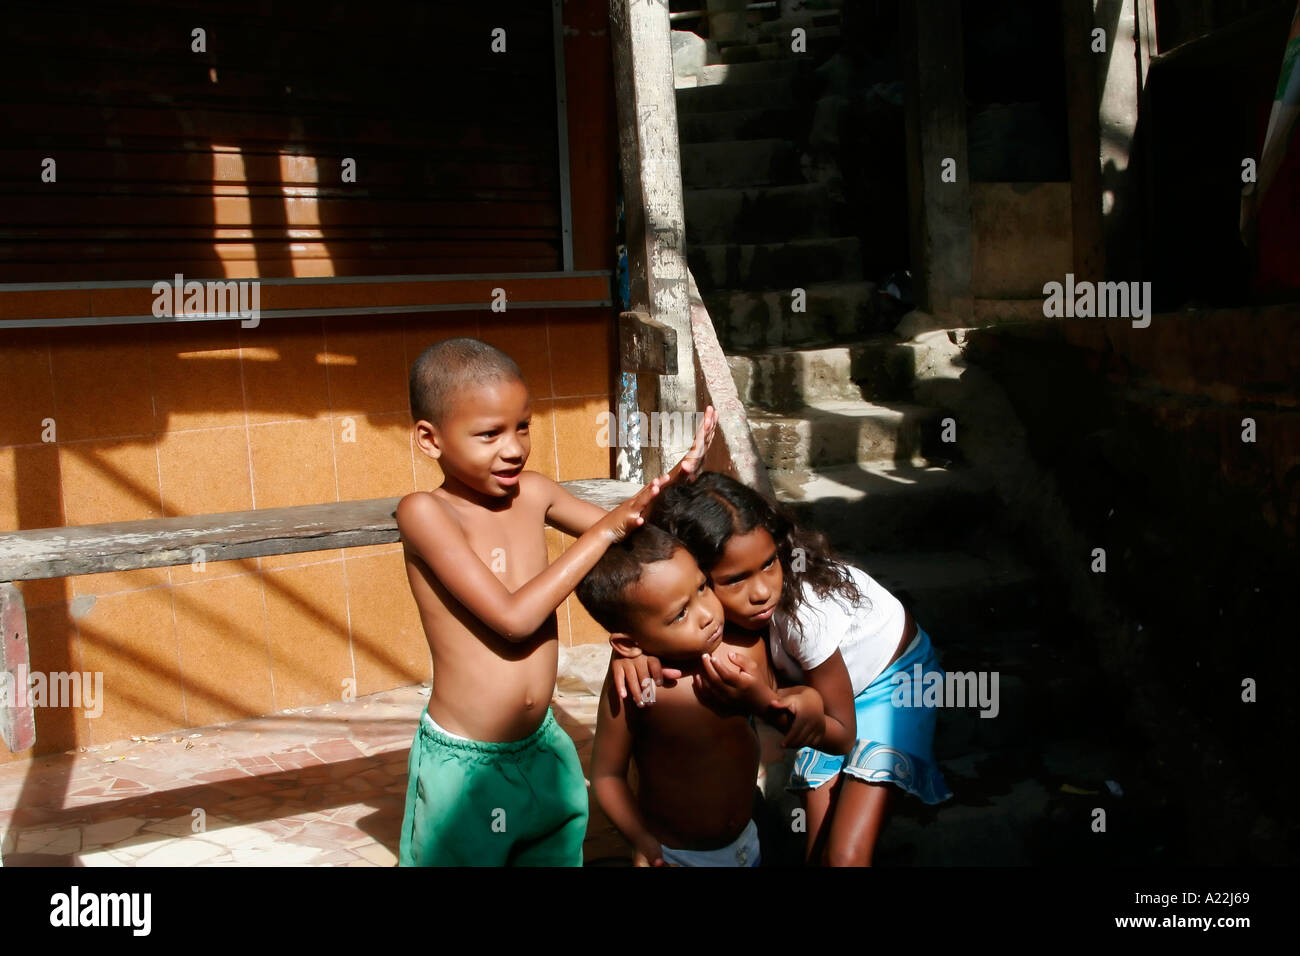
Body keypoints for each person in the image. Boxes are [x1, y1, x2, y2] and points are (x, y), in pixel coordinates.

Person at [395, 336, 715, 865]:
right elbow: (514, 618)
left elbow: (628, 536)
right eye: (489, 433)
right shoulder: (425, 513)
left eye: (522, 426)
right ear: (430, 439)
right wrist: (604, 532)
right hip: (465, 765)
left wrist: (678, 482)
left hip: (543, 749)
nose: (514, 448)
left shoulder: (535, 493)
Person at [613, 471, 951, 866]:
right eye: (735, 580)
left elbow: (842, 735)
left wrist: (762, 702)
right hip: (825, 692)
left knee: (845, 857)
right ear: (697, 579)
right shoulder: (708, 612)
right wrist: (634, 652)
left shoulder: (804, 613)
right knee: (816, 854)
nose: (761, 592)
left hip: (893, 680)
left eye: (769, 563)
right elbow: (639, 585)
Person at [576, 524, 826, 866]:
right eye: (680, 614)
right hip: (677, 855)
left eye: (703, 587)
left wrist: (808, 699)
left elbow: (778, 701)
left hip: (749, 840)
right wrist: (640, 839)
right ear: (629, 644)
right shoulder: (638, 686)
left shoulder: (745, 647)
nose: (708, 615)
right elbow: (607, 776)